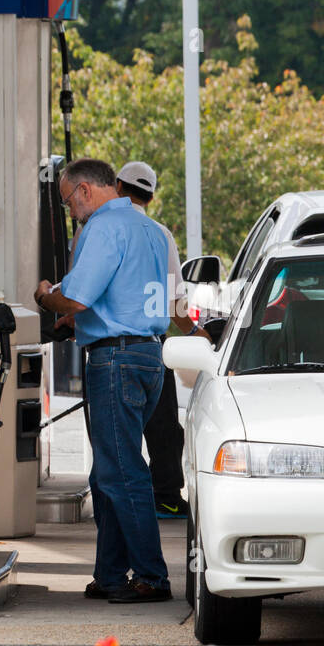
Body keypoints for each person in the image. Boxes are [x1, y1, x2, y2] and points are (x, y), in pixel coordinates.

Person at [34, 158, 173, 603]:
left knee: (123, 472)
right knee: (109, 471)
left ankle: (152, 576)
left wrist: (44, 295)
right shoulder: (152, 230)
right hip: (150, 354)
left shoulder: (102, 228)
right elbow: (130, 295)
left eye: (68, 202)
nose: (71, 212)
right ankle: (110, 573)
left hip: (115, 359)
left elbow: (74, 297)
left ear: (86, 191)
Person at [115, 161, 210, 520]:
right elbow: (173, 301)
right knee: (164, 427)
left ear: (118, 187)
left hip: (108, 348)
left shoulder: (100, 230)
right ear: (151, 197)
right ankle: (166, 496)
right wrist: (196, 334)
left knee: (116, 433)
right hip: (152, 347)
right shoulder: (159, 234)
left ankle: (123, 500)